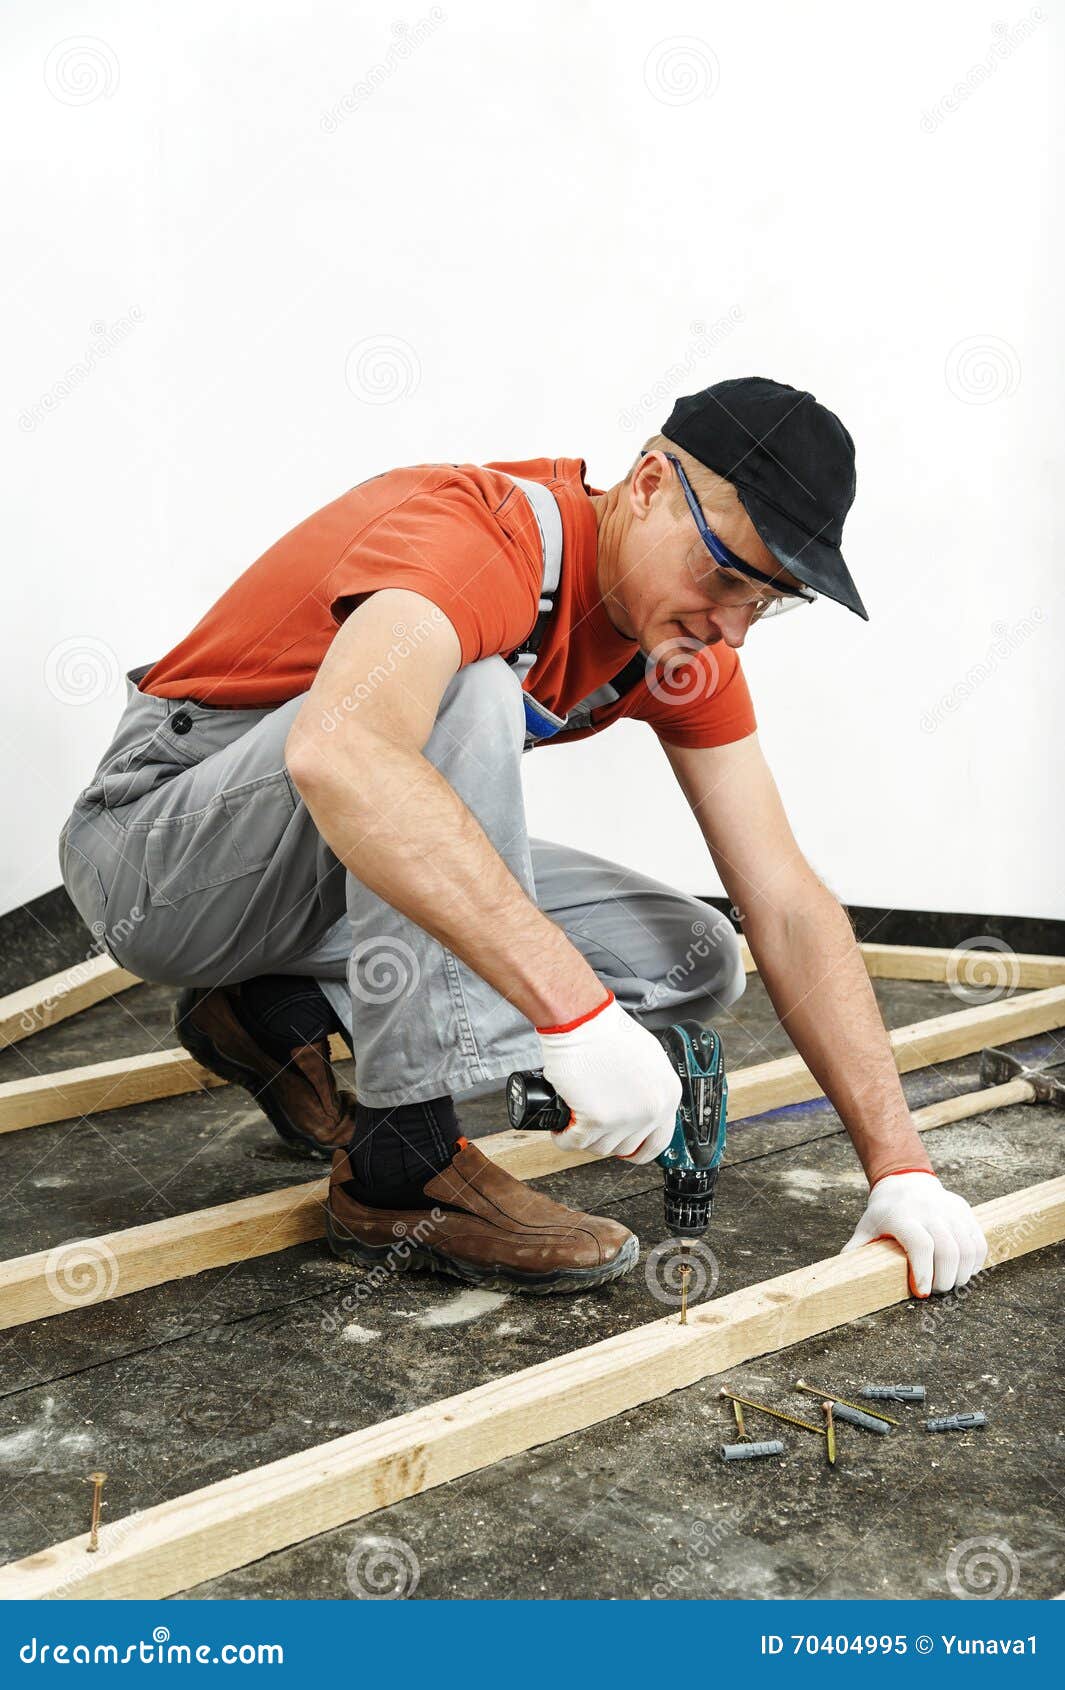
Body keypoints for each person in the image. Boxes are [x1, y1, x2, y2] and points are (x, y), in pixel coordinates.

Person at [59, 377, 987, 1299]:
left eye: (769, 601)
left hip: (293, 879)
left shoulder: (679, 648)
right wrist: (573, 1012)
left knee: (695, 955)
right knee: (469, 689)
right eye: (725, 575)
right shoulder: (474, 539)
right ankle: (401, 1165)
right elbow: (342, 754)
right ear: (650, 484)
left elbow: (782, 900)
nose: (731, 629)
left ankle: (269, 1009)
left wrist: (899, 1165)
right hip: (155, 859)